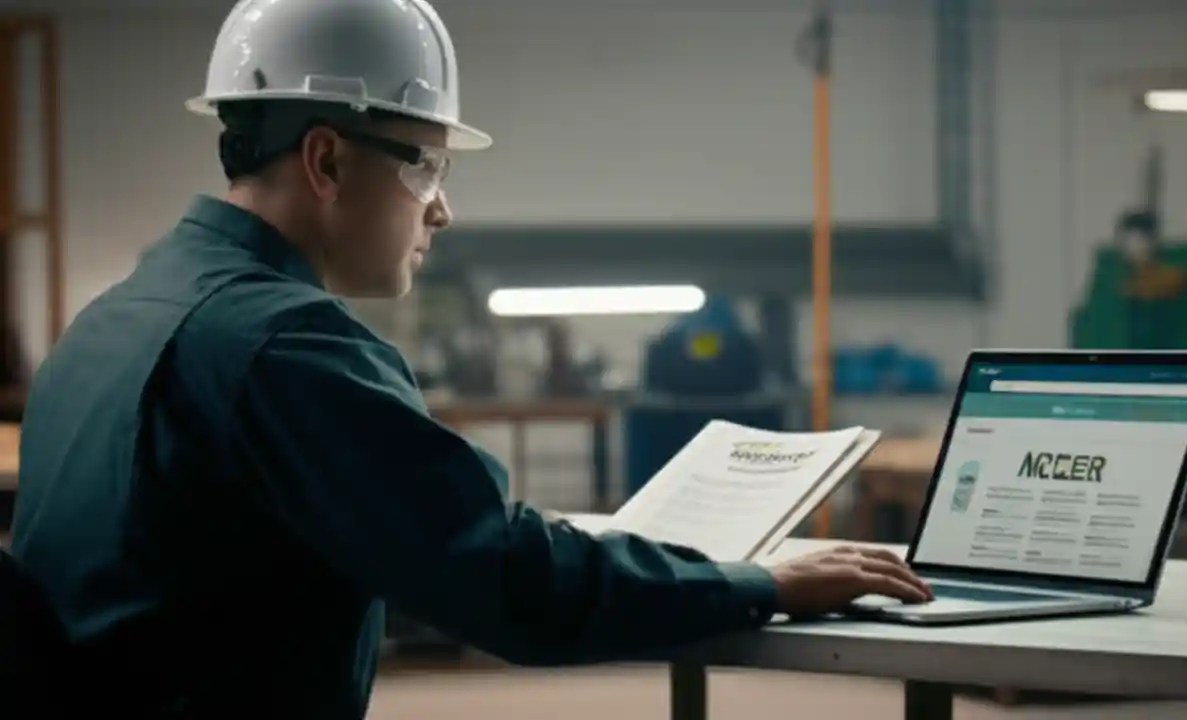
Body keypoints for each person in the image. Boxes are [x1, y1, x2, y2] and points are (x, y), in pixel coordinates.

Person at [10, 0, 932, 716]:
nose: (442, 210)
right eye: (426, 166)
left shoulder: (115, 316)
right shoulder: (284, 345)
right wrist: (756, 584)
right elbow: (507, 582)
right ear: (326, 161)